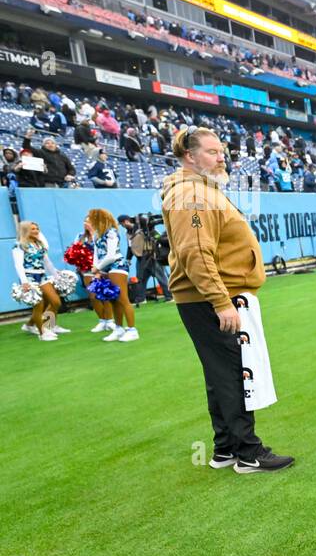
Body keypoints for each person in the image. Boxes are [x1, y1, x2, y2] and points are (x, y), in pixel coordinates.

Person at [160, 127, 291, 473]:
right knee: (234, 373)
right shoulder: (192, 194)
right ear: (190, 156)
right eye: (212, 152)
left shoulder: (199, 190)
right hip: (211, 298)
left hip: (209, 296)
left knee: (220, 374)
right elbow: (196, 253)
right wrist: (220, 302)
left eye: (221, 152)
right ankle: (248, 452)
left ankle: (225, 448)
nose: (222, 158)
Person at [12, 220, 69, 340]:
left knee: (55, 301)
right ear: (25, 230)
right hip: (29, 277)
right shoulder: (19, 245)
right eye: (33, 229)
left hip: (42, 275)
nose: (36, 231)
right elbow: (18, 265)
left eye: (37, 228)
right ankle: (42, 333)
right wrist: (24, 282)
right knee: (39, 305)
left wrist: (56, 275)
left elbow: (47, 262)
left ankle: (49, 325)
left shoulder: (39, 244)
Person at [87, 208, 138, 341]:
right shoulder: (97, 234)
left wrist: (97, 267)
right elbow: (96, 253)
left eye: (91, 217)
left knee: (122, 299)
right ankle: (119, 328)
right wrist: (97, 268)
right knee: (113, 299)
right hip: (105, 267)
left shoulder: (111, 232)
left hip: (117, 265)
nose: (89, 220)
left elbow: (110, 255)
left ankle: (132, 330)